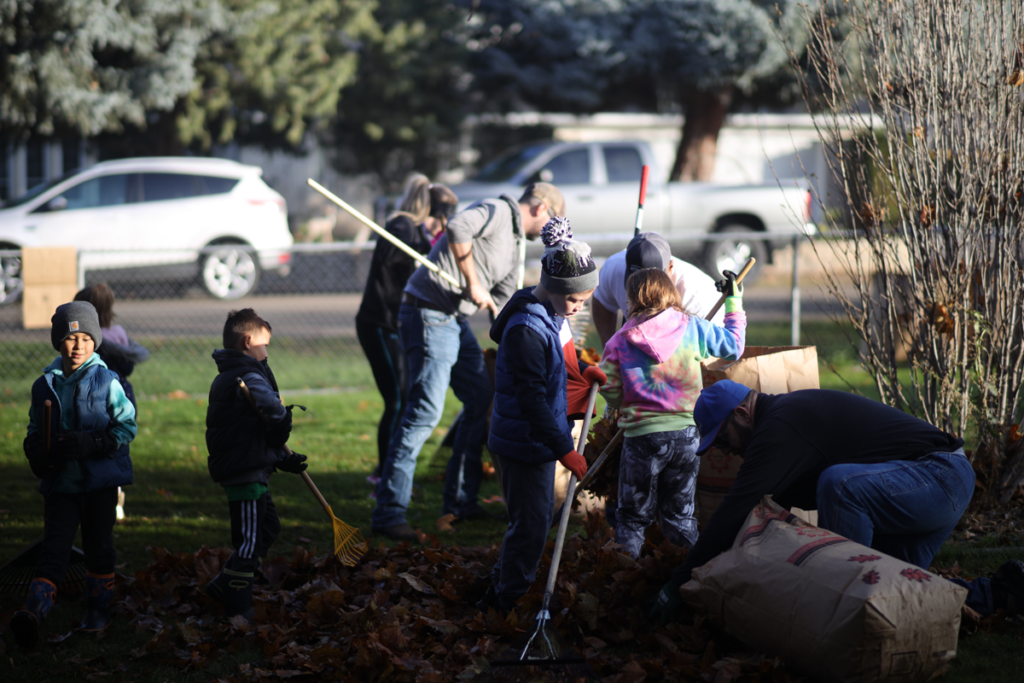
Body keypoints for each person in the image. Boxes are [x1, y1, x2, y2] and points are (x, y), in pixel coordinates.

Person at [648, 381, 1009, 623]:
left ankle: (839, 607)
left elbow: (734, 510)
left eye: (722, 439)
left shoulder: (779, 427)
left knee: (839, 486)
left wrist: (678, 583)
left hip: (937, 476)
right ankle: (997, 594)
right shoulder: (786, 419)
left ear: (742, 415)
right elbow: (772, 508)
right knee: (894, 601)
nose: (726, 450)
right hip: (930, 483)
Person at [370, 183, 567, 542]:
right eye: (551, 219)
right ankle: (388, 511)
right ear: (540, 208)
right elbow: (457, 228)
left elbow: (508, 302)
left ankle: (460, 501)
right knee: (425, 412)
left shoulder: (517, 245)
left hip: (452, 319)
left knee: (480, 398)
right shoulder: (496, 210)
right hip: (426, 312)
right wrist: (473, 281)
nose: (548, 230)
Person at [478, 217, 604, 613]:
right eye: (575, 301)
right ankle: (509, 601)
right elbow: (532, 399)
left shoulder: (552, 314)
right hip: (523, 441)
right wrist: (564, 448)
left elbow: (560, 362)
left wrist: (583, 372)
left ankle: (499, 585)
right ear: (552, 288)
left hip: (534, 438)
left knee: (536, 517)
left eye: (584, 301)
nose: (578, 308)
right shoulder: (526, 329)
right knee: (531, 523)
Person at [11, 301, 138, 649]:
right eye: (70, 338)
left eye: (85, 337)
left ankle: (98, 611)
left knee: (99, 548)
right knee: (54, 550)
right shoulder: (45, 386)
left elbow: (126, 427)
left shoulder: (107, 382)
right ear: (58, 342)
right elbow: (35, 429)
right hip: (62, 486)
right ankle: (33, 613)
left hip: (99, 485)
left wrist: (94, 441)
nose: (78, 345)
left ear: (95, 341)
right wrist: (36, 451)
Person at [600, 268, 745, 558]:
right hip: (687, 436)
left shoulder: (620, 341)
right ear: (669, 294)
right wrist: (733, 302)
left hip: (641, 440)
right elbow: (733, 347)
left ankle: (624, 583)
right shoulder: (692, 328)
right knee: (679, 517)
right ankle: (687, 578)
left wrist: (622, 400)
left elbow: (611, 390)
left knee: (632, 518)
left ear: (632, 300)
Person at [203, 308, 309, 622]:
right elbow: (273, 412)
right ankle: (239, 609)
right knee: (249, 543)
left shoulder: (228, 375)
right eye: (265, 345)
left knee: (268, 527)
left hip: (249, 467)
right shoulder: (247, 376)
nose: (267, 353)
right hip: (244, 474)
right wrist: (283, 417)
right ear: (249, 341)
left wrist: (283, 458)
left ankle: (224, 583)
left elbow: (251, 434)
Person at [355, 175, 458, 487]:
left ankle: (386, 469)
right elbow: (391, 254)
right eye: (441, 219)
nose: (442, 227)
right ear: (430, 211)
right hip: (379, 323)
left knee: (403, 397)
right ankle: (384, 473)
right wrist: (422, 246)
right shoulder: (402, 227)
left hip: (395, 324)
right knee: (397, 400)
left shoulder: (419, 234)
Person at [74, 282, 150, 520]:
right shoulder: (118, 333)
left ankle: (93, 492)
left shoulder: (90, 339)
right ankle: (116, 498)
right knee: (115, 450)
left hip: (97, 400)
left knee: (94, 445)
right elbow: (127, 367)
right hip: (123, 396)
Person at [591, 232, 723, 347]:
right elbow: (602, 302)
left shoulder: (698, 300)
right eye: (636, 285)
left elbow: (720, 350)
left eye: (653, 288)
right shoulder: (613, 268)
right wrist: (610, 352)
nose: (642, 296)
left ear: (671, 267)